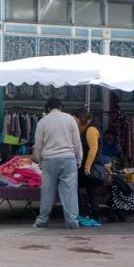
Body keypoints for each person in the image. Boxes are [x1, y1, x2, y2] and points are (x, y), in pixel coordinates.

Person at [31, 97, 82, 229]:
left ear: (48, 108)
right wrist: (79, 158)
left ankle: (42, 220)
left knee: (47, 191)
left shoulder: (43, 121)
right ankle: (71, 221)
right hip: (68, 158)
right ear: (61, 107)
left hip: (49, 159)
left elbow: (38, 145)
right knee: (69, 191)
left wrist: (39, 160)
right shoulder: (70, 119)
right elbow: (77, 142)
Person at [76, 110, 105, 225]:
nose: (76, 122)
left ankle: (87, 215)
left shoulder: (91, 129)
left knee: (88, 191)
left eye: (76, 119)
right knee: (90, 191)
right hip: (89, 166)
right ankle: (92, 215)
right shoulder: (89, 128)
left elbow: (93, 149)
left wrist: (87, 167)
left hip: (90, 167)